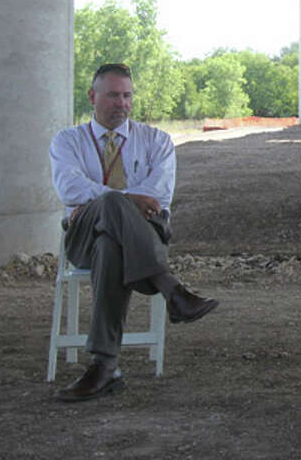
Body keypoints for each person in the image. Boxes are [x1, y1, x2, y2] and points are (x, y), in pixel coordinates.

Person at [49, 63, 219, 401]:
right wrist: (124, 199)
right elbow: (70, 188)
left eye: (127, 95)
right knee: (111, 205)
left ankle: (104, 366)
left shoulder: (157, 140)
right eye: (113, 95)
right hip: (83, 234)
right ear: (92, 96)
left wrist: (104, 199)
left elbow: (157, 198)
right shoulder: (67, 141)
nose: (121, 103)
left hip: (145, 232)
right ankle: (172, 289)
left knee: (110, 245)